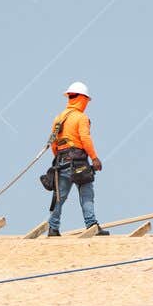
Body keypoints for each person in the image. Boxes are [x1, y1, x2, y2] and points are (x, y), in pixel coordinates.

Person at [46, 81, 108, 236]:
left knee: (59, 196)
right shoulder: (81, 118)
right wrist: (94, 158)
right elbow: (85, 139)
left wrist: (61, 160)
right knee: (86, 193)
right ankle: (91, 224)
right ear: (83, 99)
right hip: (79, 162)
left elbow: (53, 143)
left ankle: (53, 228)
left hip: (61, 162)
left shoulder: (58, 118)